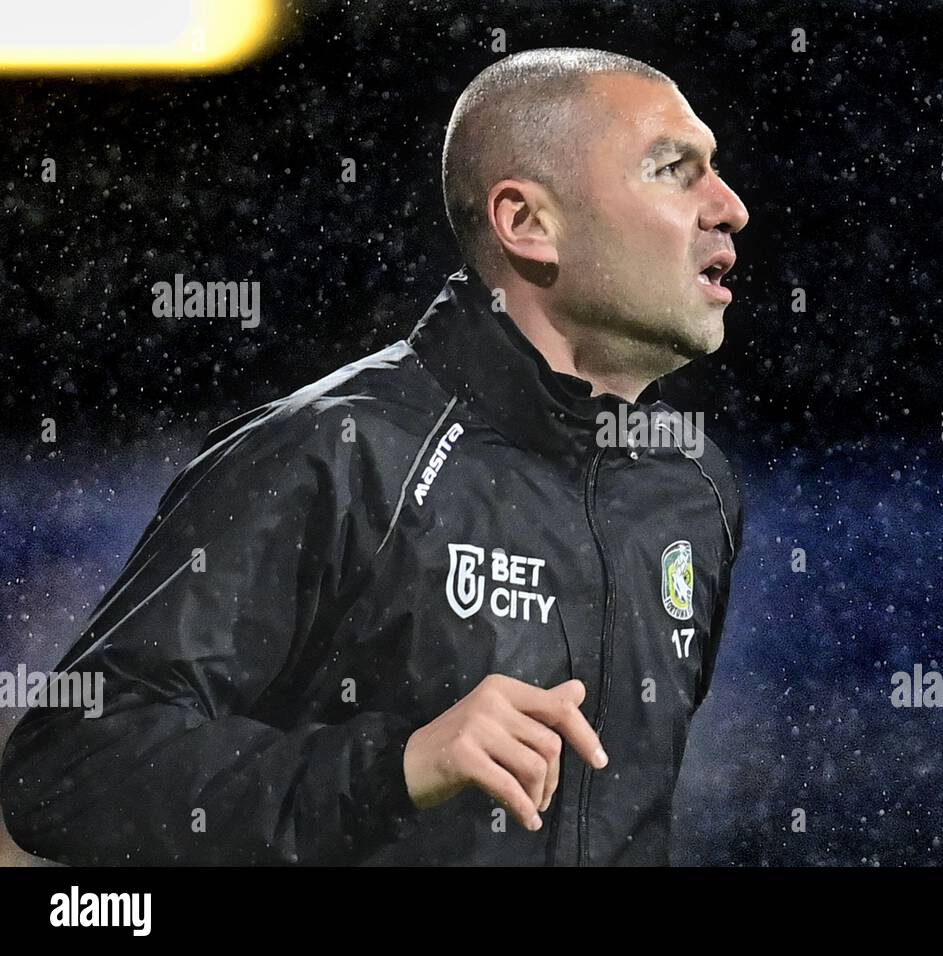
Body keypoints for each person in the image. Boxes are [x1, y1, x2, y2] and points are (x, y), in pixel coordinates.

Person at [0, 46, 749, 866]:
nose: (730, 208)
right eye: (673, 170)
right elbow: (68, 770)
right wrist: (394, 768)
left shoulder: (696, 489)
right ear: (528, 223)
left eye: (715, 171)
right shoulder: (330, 452)